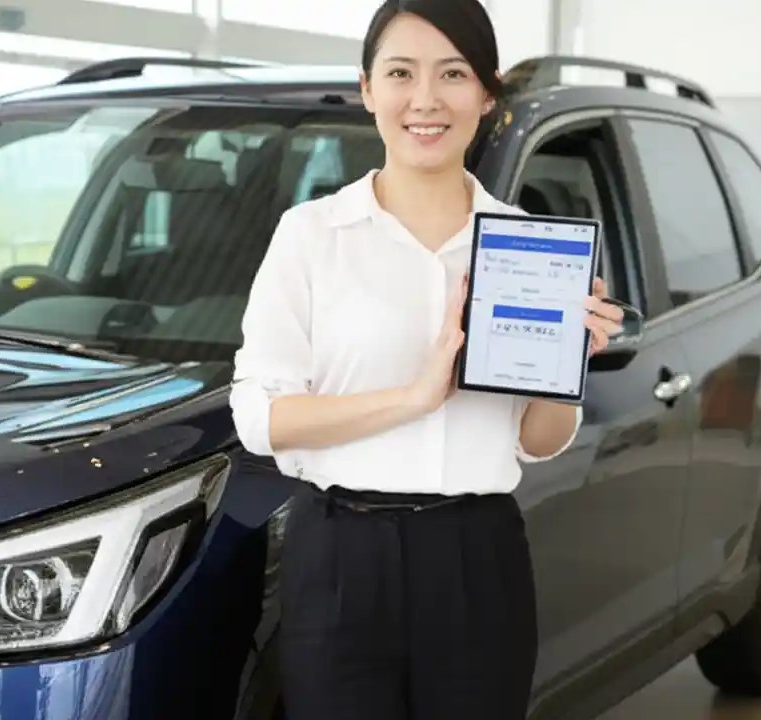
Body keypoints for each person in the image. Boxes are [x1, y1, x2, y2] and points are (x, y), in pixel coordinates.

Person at [229, 1, 625, 718]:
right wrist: (414, 396)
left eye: (453, 74)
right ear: (368, 89)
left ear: (486, 94)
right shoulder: (313, 236)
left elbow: (538, 442)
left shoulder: (528, 247)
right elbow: (261, 419)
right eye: (401, 73)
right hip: (339, 557)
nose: (425, 100)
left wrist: (569, 363)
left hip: (477, 557)